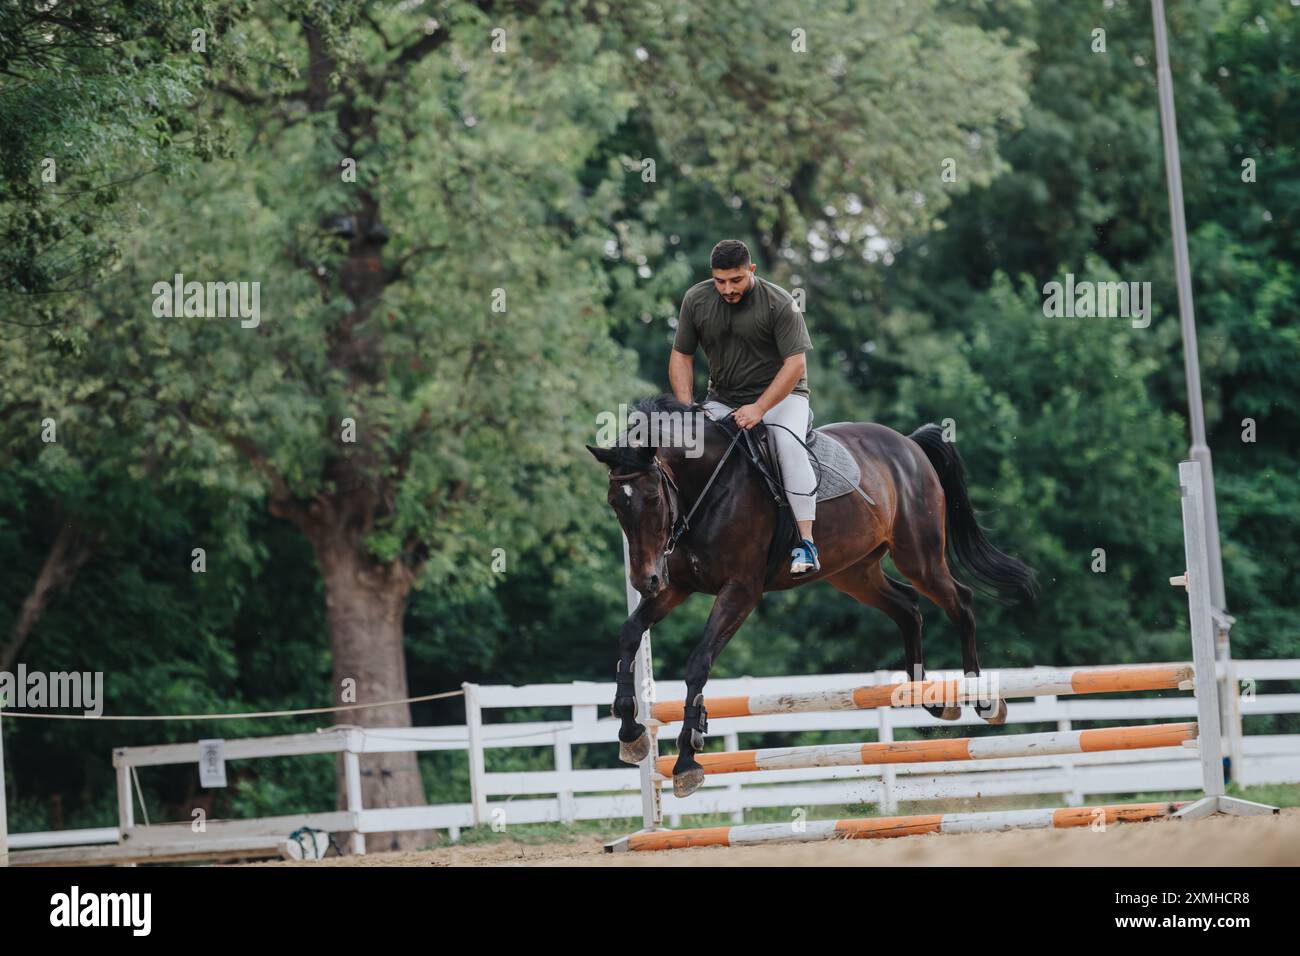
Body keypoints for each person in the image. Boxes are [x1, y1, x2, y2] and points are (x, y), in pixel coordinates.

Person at [668, 239, 820, 575]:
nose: (727, 289)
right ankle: (679, 536)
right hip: (723, 399)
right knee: (688, 448)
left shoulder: (781, 303)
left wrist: (760, 408)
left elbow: (795, 365)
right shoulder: (696, 299)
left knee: (787, 447)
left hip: (783, 397)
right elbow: (681, 356)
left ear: (751, 270)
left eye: (735, 280)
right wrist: (684, 410)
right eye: (720, 281)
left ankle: (806, 543)